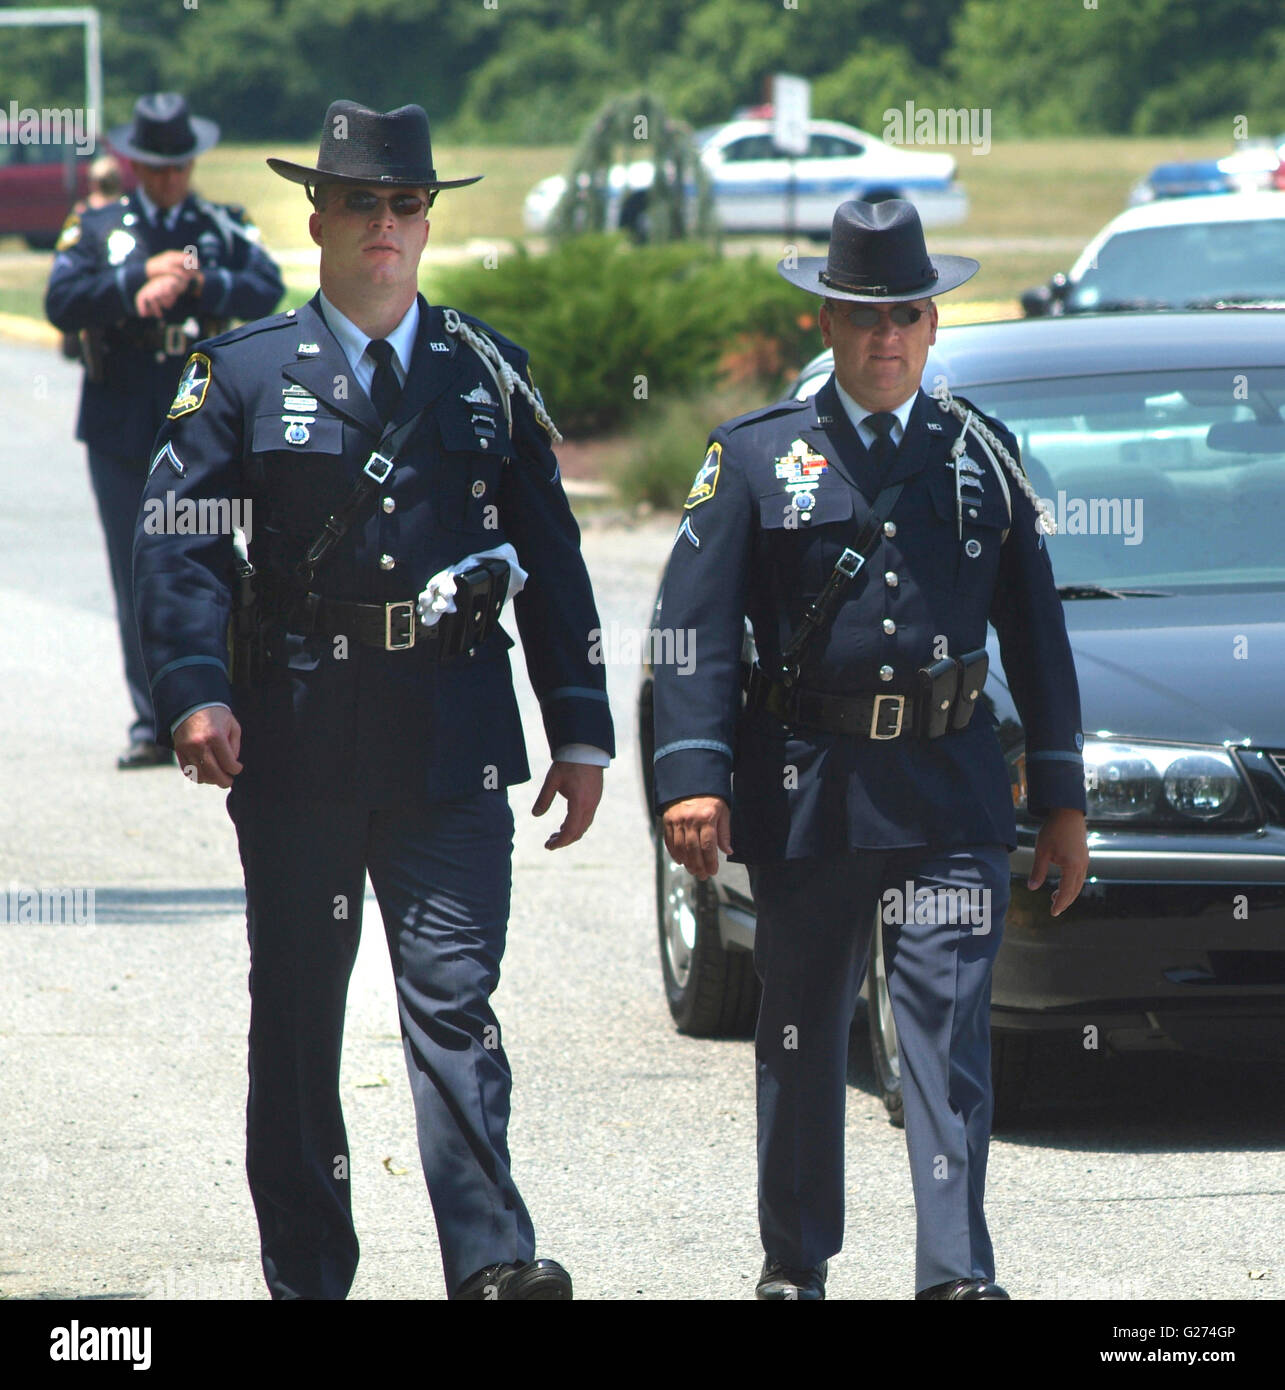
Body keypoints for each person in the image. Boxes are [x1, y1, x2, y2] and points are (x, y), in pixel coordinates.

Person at [132, 100, 614, 1301]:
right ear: (318, 217)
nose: (386, 224)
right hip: (294, 744)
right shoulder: (241, 374)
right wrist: (194, 689)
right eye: (362, 202)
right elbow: (178, 540)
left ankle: (493, 1261)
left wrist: (582, 725)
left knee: (457, 1005)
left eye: (406, 203)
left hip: (450, 743)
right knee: (299, 1021)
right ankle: (308, 1271)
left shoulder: (483, 371)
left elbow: (550, 562)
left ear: (428, 218)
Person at [652, 199, 1089, 1301]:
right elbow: (691, 630)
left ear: (932, 323)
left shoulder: (982, 454)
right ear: (828, 324)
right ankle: (795, 1262)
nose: (883, 333)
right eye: (860, 313)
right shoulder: (756, 456)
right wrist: (694, 776)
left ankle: (954, 1272)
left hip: (949, 793)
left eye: (904, 311)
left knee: (945, 1040)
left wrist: (1065, 801)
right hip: (814, 798)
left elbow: (1036, 632)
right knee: (800, 1036)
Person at [46, 93, 283, 768]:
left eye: (177, 166)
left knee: (216, 559)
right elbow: (61, 301)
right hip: (121, 423)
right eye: (154, 167)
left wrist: (196, 282)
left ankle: (216, 702)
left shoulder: (219, 225)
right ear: (135, 165)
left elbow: (265, 286)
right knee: (137, 569)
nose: (167, 179)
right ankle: (154, 718)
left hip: (202, 422)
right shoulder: (98, 227)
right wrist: (132, 283)